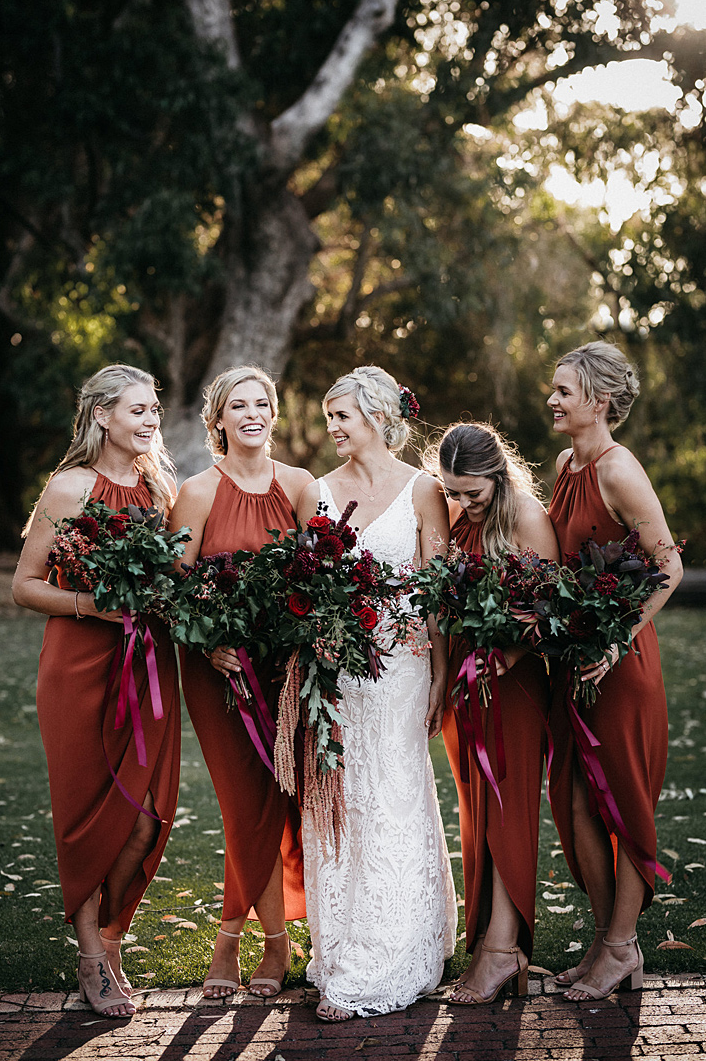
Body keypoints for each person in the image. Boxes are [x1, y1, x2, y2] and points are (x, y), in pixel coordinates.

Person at [11, 364, 182, 1019]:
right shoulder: (69, 487)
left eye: (154, 411)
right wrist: (95, 604)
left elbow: (175, 576)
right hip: (80, 665)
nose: (149, 421)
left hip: (147, 669)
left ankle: (110, 937)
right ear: (102, 414)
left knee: (144, 819)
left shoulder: (158, 486)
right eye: (137, 409)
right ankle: (92, 958)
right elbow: (26, 584)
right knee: (84, 819)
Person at [293, 366, 456, 1021]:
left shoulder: (424, 490)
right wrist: (318, 635)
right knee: (343, 797)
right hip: (338, 674)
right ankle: (341, 946)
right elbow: (306, 579)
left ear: (379, 417)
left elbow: (438, 588)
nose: (332, 427)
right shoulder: (316, 491)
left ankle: (395, 951)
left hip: (402, 666)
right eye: (329, 416)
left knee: (394, 791)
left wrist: (442, 669)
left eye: (343, 416)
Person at [167, 365, 313, 999]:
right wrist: (210, 641)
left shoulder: (303, 488)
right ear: (218, 421)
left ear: (273, 414)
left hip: (286, 670)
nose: (251, 413)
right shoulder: (197, 492)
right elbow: (172, 590)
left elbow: (322, 577)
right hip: (217, 670)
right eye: (238, 405)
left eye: (261, 403)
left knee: (275, 800)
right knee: (242, 801)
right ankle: (256, 945)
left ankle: (253, 944)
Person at [545, 342, 683, 1002]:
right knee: (574, 803)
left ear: (598, 402)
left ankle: (623, 946)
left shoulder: (618, 469)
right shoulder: (565, 463)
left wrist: (619, 635)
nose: (552, 399)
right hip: (575, 663)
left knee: (624, 802)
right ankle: (608, 939)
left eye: (564, 391)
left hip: (621, 667)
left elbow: (668, 565)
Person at [427, 422, 558, 1004]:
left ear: (498, 476)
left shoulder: (526, 516)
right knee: (478, 810)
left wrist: (511, 651)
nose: (460, 504)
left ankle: (503, 949)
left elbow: (554, 605)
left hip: (512, 683)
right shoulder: (459, 522)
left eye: (471, 493)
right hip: (466, 680)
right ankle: (490, 942)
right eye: (451, 492)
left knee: (507, 806)